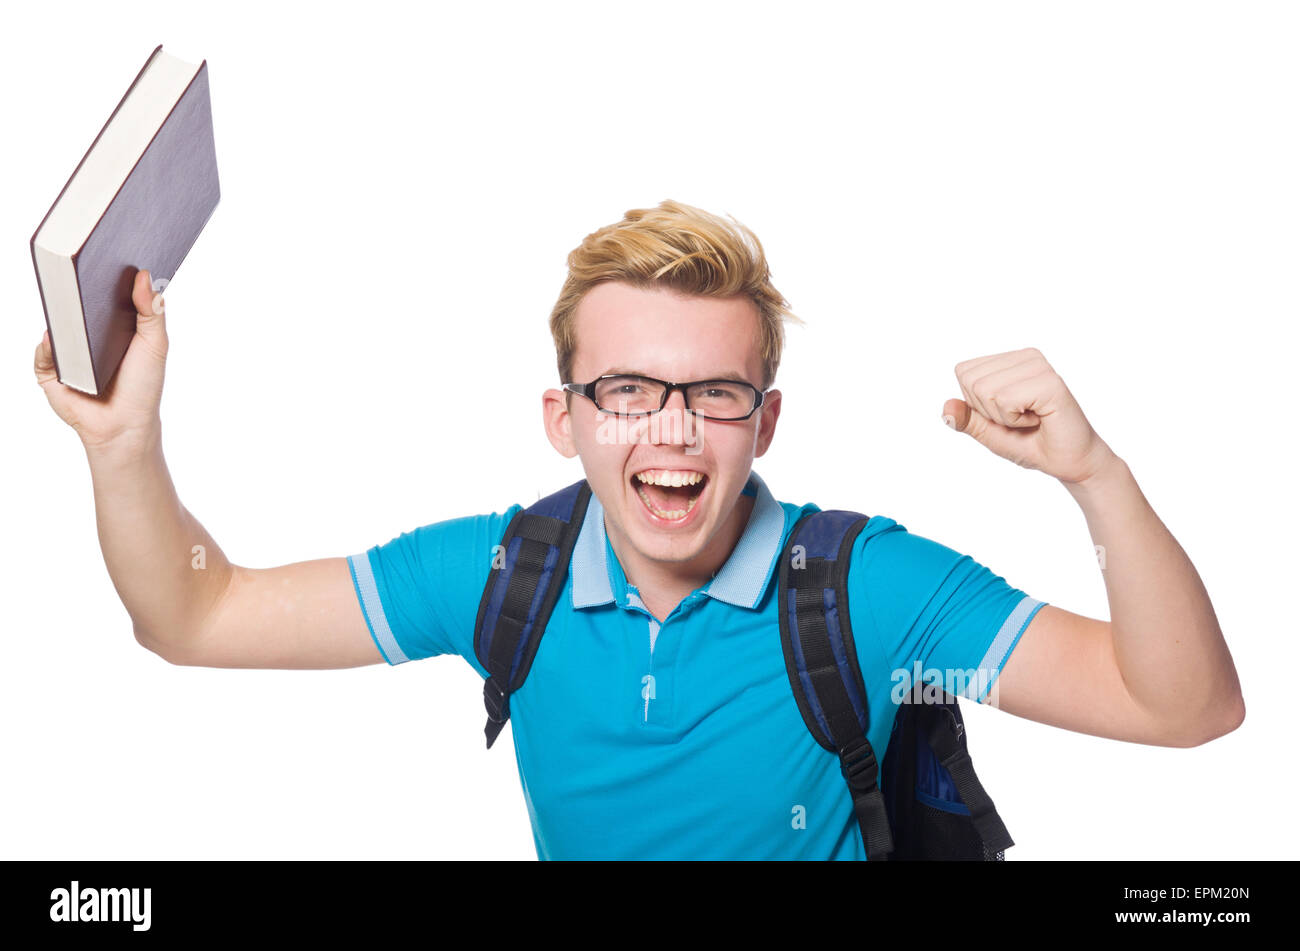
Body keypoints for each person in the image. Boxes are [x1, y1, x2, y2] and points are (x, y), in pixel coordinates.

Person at [33, 199, 1245, 859]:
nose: (671, 433)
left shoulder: (867, 592)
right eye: (627, 392)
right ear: (563, 419)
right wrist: (122, 446)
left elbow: (1181, 707)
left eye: (713, 394)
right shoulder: (501, 574)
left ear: (762, 422)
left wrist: (1096, 478)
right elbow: (191, 615)